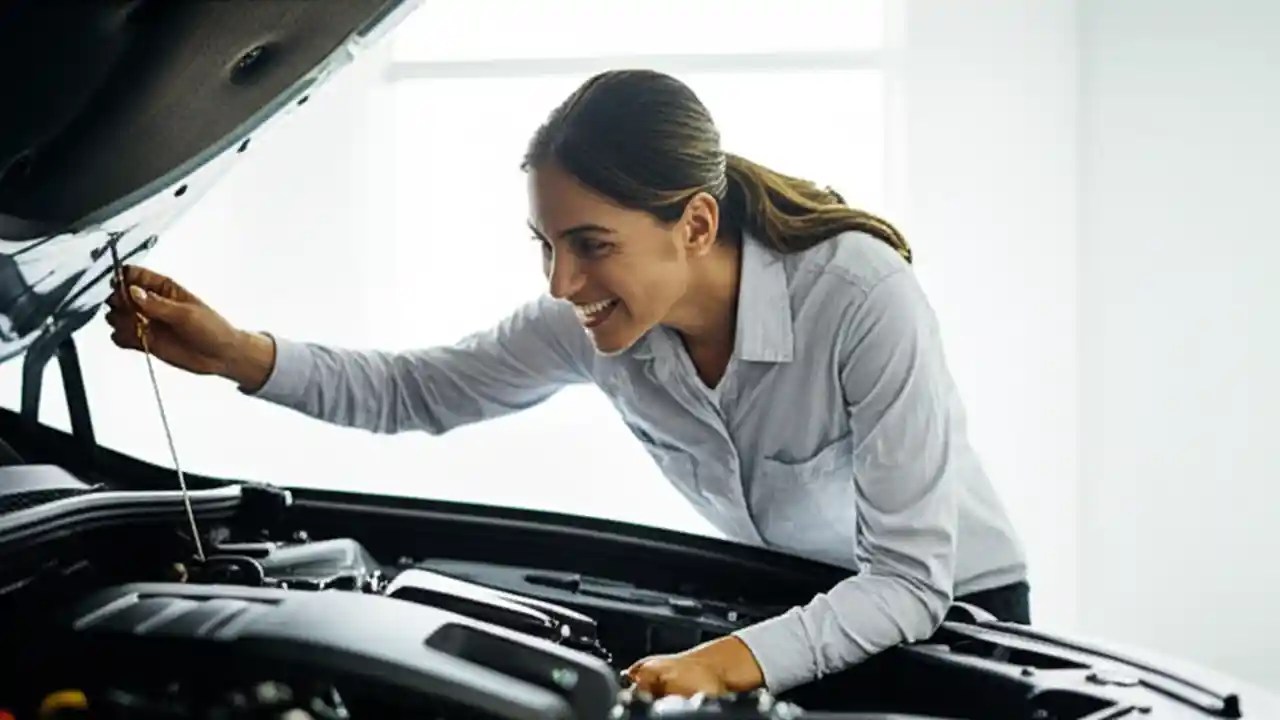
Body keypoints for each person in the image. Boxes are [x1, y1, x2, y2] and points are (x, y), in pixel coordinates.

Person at [106, 69, 1028, 699]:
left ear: (696, 225)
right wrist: (234, 352)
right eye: (546, 246)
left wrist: (720, 661)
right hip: (787, 607)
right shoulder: (588, 323)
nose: (561, 285)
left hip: (960, 617)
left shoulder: (862, 297)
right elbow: (413, 392)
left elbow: (908, 582)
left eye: (591, 245)